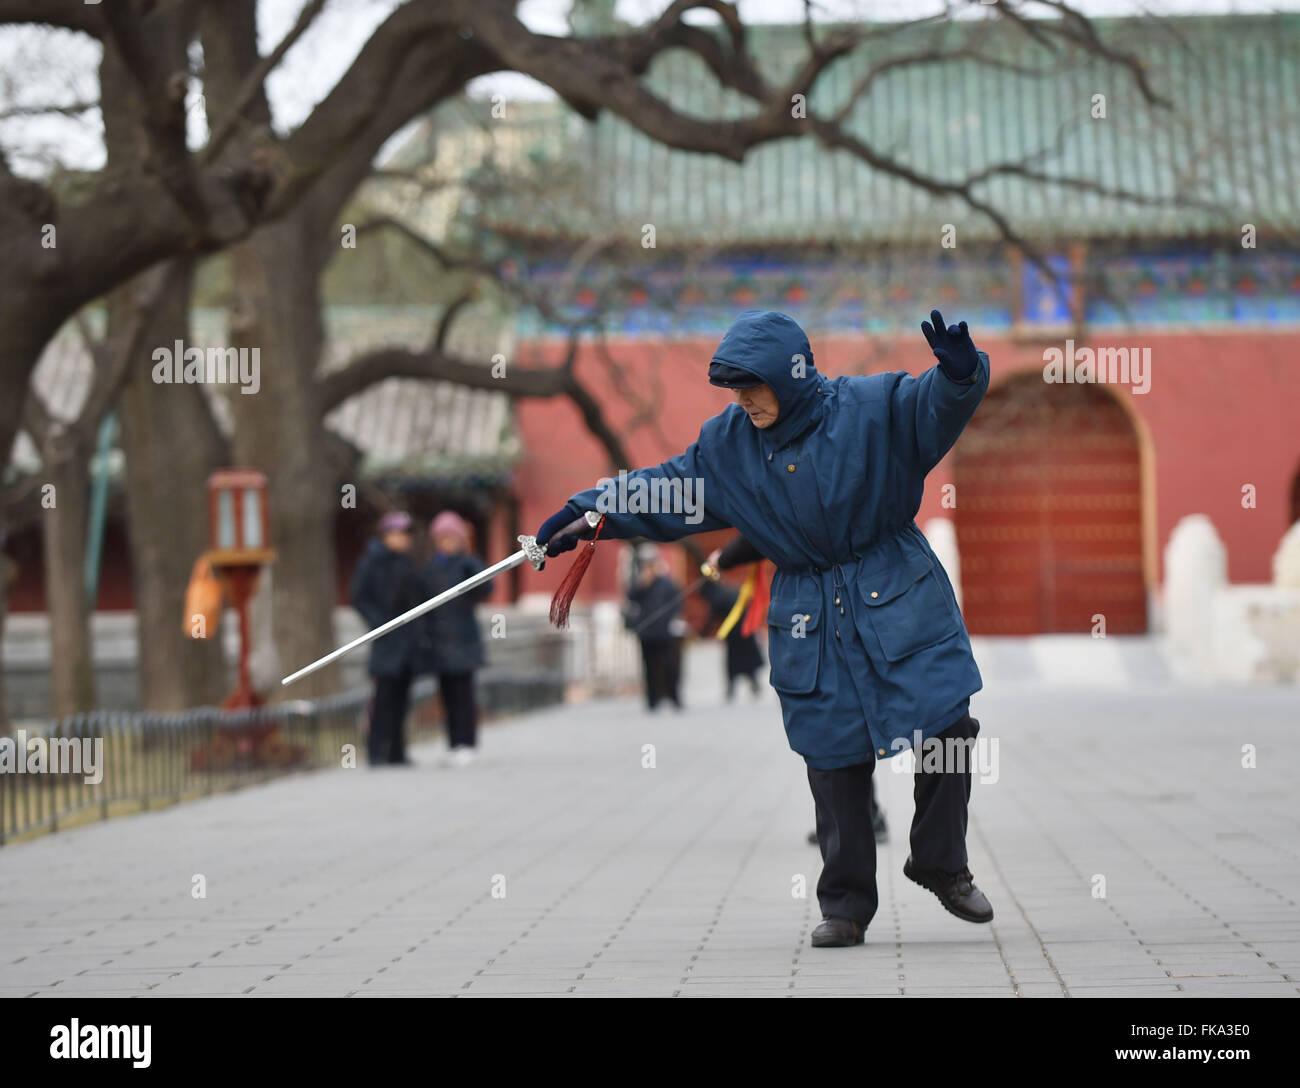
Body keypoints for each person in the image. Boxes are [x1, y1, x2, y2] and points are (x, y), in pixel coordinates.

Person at [536, 309, 993, 948]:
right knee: (832, 757)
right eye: (734, 389)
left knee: (947, 723)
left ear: (793, 375)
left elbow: (933, 404)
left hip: (896, 591)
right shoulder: (727, 449)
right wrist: (590, 512)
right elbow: (666, 489)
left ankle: (941, 862)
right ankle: (846, 904)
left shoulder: (869, 408)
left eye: (755, 385)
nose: (744, 401)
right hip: (808, 609)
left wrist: (962, 372)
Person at [348, 511, 429, 767]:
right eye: (399, 534)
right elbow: (358, 596)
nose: (404, 539)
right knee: (383, 698)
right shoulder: (372, 562)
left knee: (403, 699)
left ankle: (397, 751)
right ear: (387, 535)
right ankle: (375, 751)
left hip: (408, 641)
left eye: (407, 534)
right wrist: (378, 623)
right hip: (385, 641)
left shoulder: (407, 563)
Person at [423, 510, 492, 767]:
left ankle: (468, 743)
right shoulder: (431, 568)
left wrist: (471, 563)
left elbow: (486, 588)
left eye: (452, 537)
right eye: (443, 538)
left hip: (464, 641)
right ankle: (453, 743)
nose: (447, 542)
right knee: (447, 696)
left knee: (465, 696)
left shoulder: (467, 563)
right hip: (439, 642)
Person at [625, 550, 685, 711]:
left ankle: (674, 698)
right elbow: (631, 597)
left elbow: (676, 603)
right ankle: (652, 700)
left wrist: (668, 620)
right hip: (646, 631)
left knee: (669, 666)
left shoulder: (666, 583)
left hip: (664, 631)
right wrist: (641, 584)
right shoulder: (640, 583)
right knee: (649, 667)